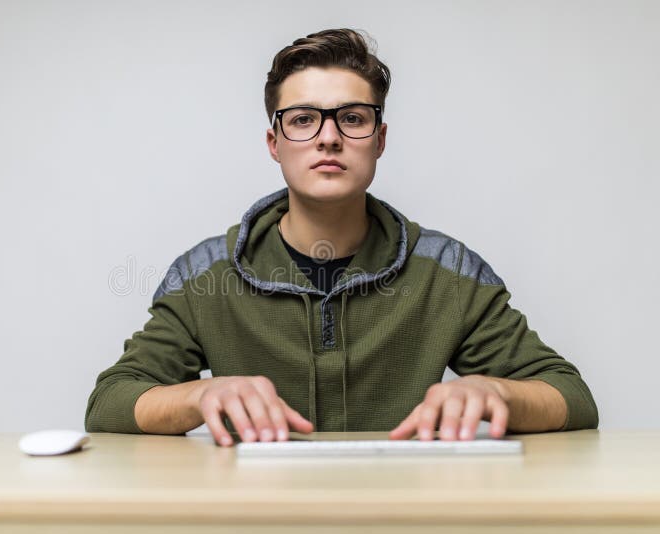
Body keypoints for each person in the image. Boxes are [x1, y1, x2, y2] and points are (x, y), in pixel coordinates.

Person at [85, 28, 598, 446]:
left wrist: (497, 393)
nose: (328, 137)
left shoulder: (447, 269)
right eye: (304, 119)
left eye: (352, 119)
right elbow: (110, 401)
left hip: (404, 519)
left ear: (379, 139)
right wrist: (200, 397)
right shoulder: (205, 274)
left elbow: (571, 396)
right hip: (256, 520)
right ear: (274, 143)